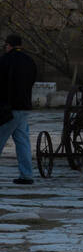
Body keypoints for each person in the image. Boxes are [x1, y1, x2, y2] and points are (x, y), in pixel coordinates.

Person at [0, 33, 38, 184]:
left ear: (8, 45)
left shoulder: (5, 60)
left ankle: (27, 175)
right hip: (24, 106)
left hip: (9, 109)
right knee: (22, 141)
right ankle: (27, 175)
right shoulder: (29, 61)